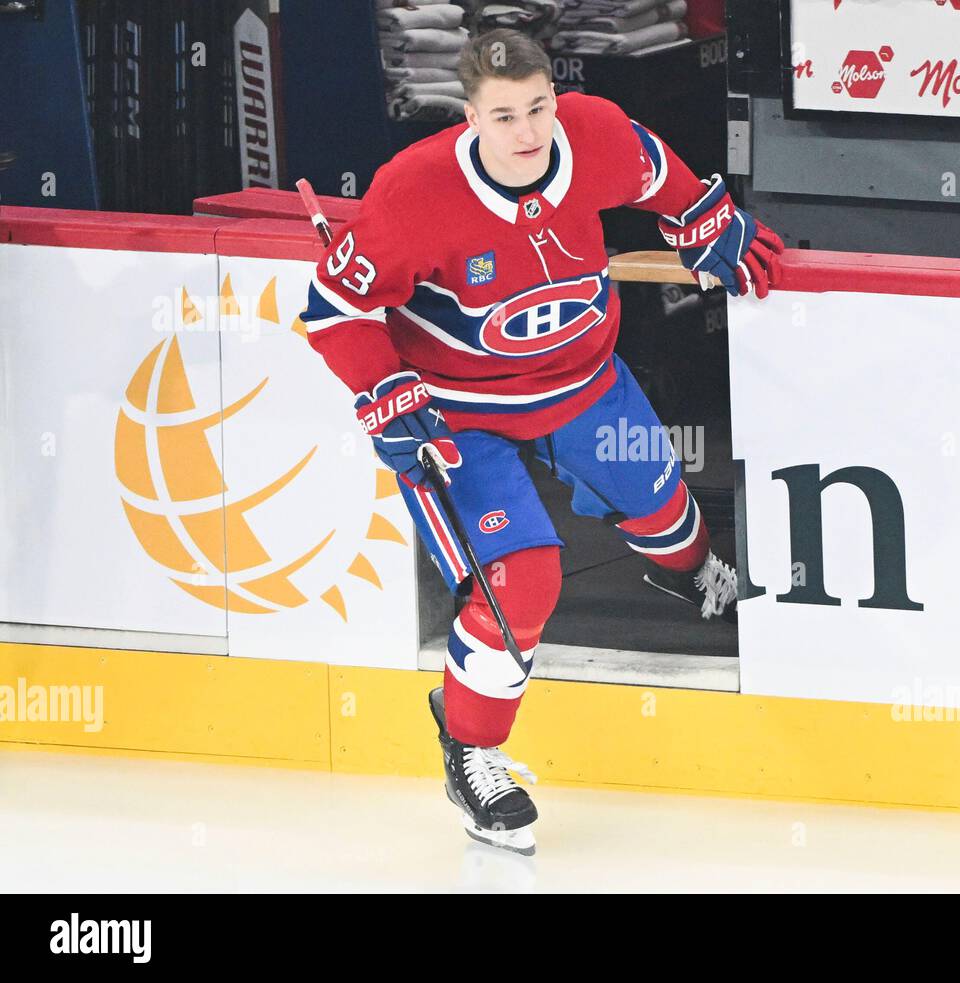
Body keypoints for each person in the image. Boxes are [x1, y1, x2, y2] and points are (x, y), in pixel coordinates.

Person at [299, 28, 783, 854]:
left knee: (666, 503)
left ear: (554, 97)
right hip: (461, 413)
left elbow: (657, 172)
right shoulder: (412, 191)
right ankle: (472, 749)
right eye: (503, 116)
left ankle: (696, 573)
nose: (526, 133)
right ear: (469, 115)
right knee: (521, 582)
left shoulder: (592, 131)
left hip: (583, 380)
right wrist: (383, 387)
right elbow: (331, 307)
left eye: (537, 108)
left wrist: (702, 216)